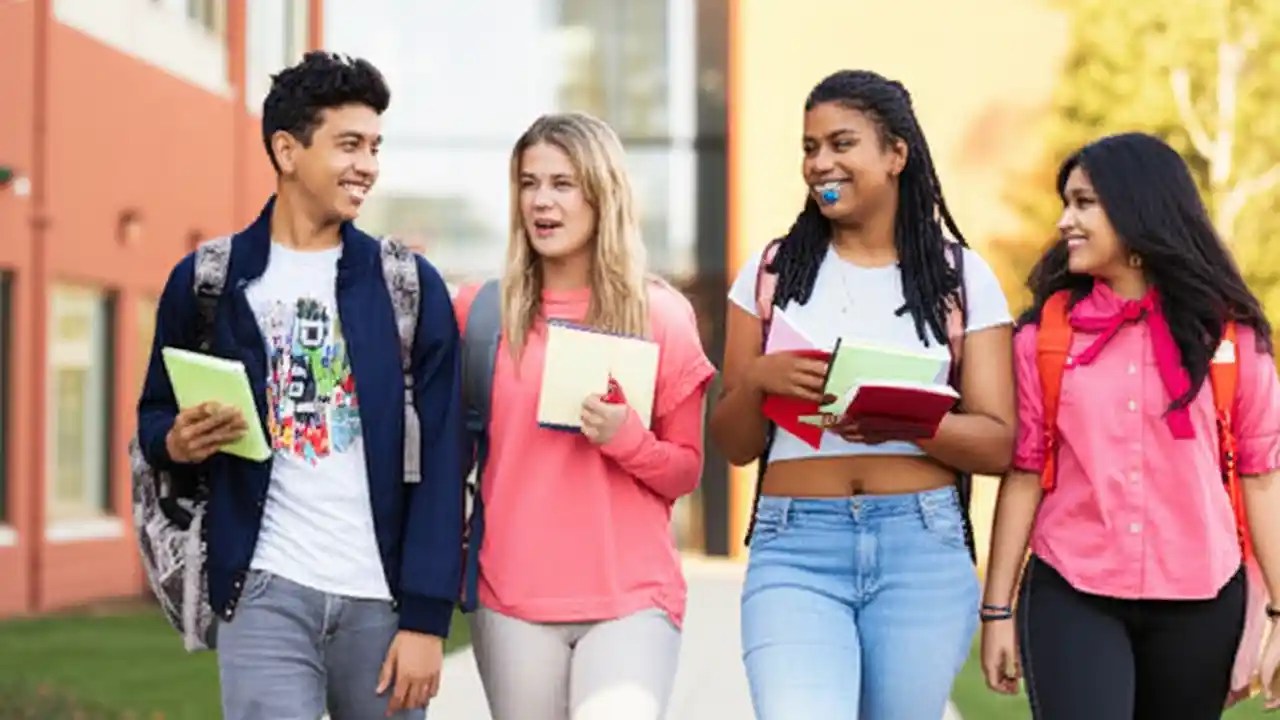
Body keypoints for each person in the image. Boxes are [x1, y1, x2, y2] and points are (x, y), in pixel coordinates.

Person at [135, 51, 465, 719]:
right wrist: (177, 438)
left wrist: (428, 618)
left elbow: (442, 458)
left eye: (374, 146)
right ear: (288, 150)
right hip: (262, 592)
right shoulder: (208, 282)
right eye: (349, 144)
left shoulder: (407, 288)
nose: (367, 165)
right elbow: (153, 420)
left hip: (382, 602)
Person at [708, 68, 1016, 718]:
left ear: (896, 154)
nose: (821, 162)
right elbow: (732, 445)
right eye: (810, 146)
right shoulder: (769, 273)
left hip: (922, 549)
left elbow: (996, 443)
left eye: (842, 143)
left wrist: (898, 419)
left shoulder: (962, 277)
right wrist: (760, 381)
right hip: (794, 548)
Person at [981, 131, 1280, 718]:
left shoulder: (1233, 341)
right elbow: (1023, 474)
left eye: (1084, 203)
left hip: (1202, 597)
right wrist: (996, 611)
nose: (1066, 220)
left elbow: (1262, 478)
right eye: (1065, 203)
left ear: (1138, 208)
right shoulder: (1045, 339)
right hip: (1073, 589)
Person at [450, 111, 716, 720]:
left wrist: (630, 440)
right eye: (529, 183)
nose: (541, 201)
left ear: (602, 194)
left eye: (562, 184)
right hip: (511, 600)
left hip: (631, 600)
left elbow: (686, 472)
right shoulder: (479, 313)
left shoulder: (661, 315)